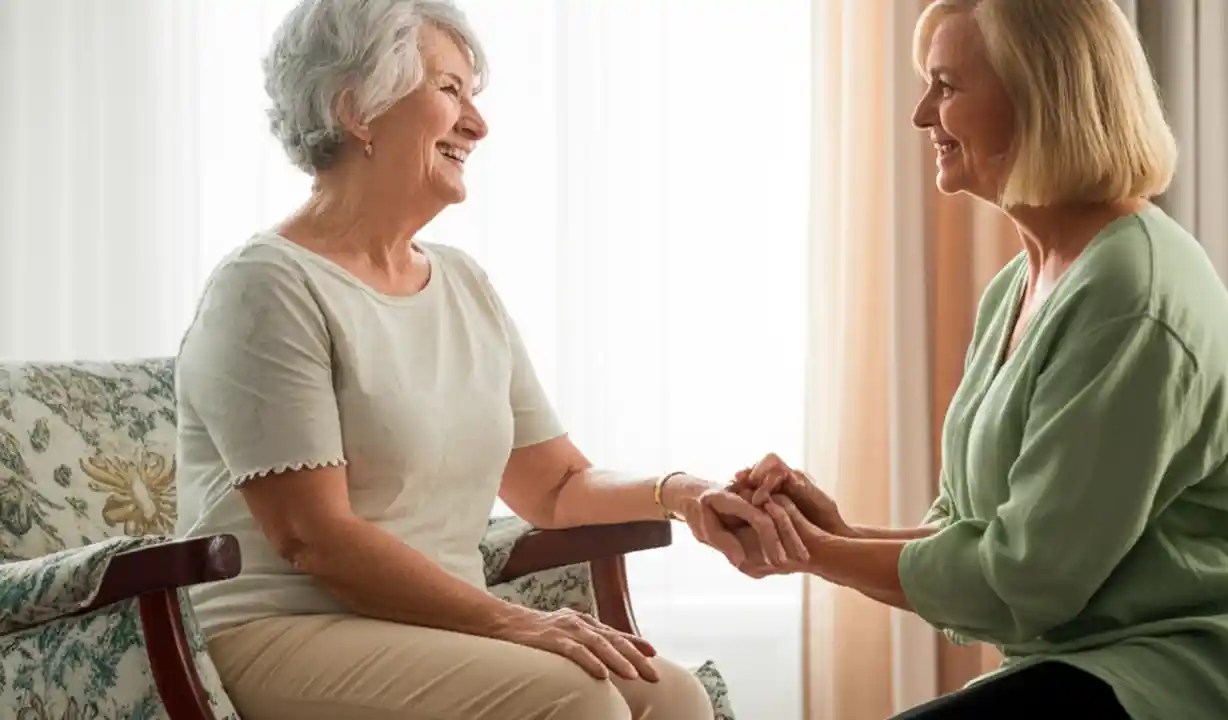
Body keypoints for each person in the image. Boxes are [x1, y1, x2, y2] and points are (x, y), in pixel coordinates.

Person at [173, 2, 792, 718]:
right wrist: (516, 622)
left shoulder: (463, 284)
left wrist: (683, 493)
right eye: (450, 90)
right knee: (579, 702)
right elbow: (315, 539)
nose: (478, 124)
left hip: (425, 632)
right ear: (357, 109)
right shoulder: (266, 286)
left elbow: (556, 486)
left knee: (673, 696)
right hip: (280, 631)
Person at [725, 1, 1228, 718]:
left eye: (946, 86)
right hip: (1087, 665)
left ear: (1040, 97)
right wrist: (835, 533)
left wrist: (811, 552)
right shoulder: (1021, 285)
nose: (922, 115)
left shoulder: (1129, 292)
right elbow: (974, 533)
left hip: (1188, 671)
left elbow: (1024, 581)